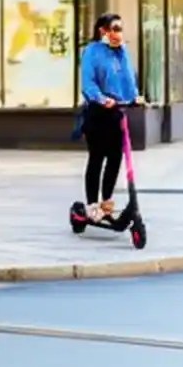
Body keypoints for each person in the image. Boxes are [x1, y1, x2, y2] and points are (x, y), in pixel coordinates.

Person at [77, 13, 142, 223]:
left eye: (120, 29)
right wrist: (100, 98)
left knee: (115, 158)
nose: (117, 34)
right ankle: (92, 205)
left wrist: (134, 97)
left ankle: (106, 202)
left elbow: (129, 78)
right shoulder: (92, 52)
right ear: (102, 31)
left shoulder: (122, 52)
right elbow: (88, 82)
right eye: (114, 29)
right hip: (97, 112)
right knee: (97, 157)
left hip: (116, 113)